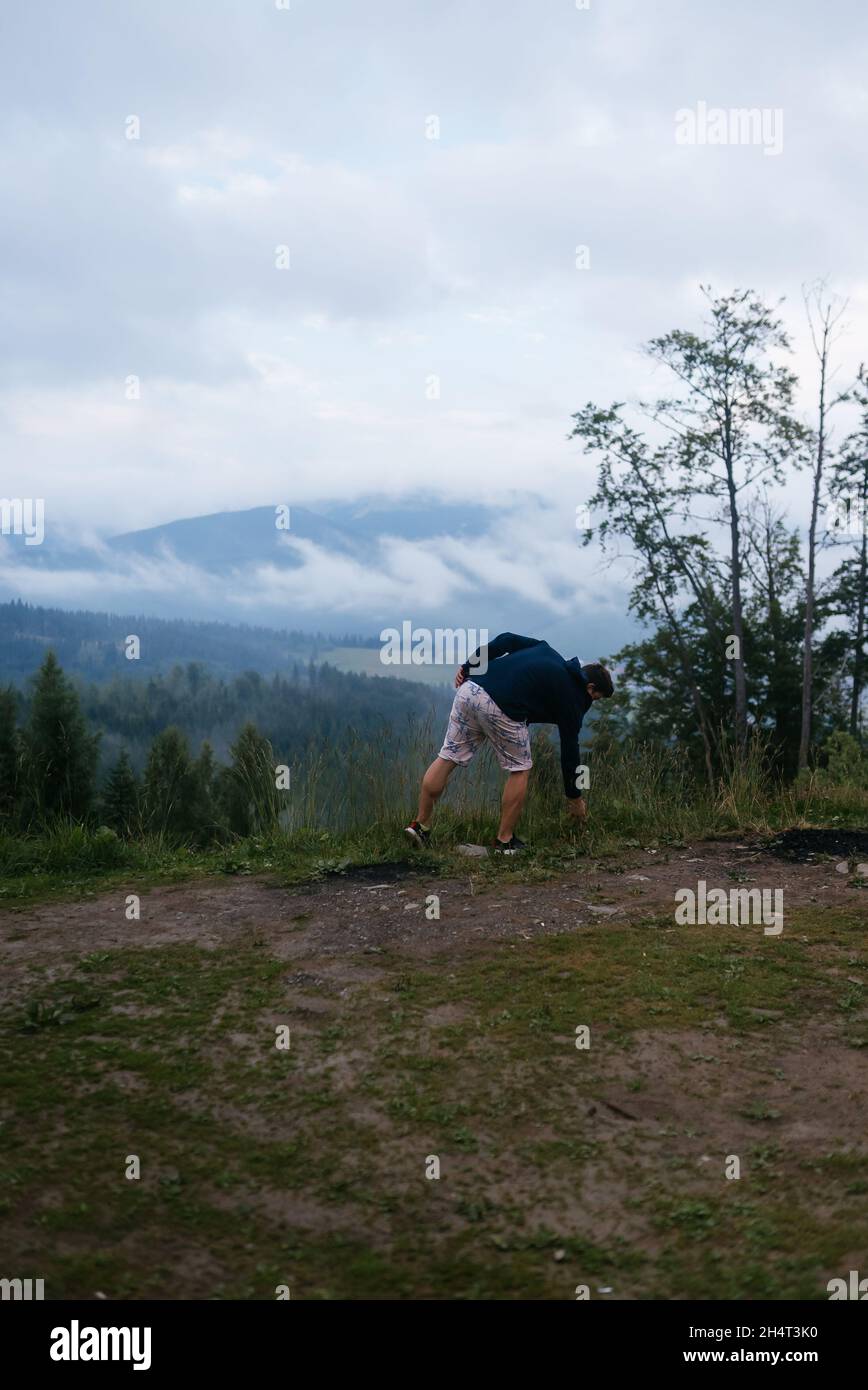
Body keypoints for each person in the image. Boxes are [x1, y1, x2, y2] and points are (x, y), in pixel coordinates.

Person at [405, 632, 614, 853]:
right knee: (520, 769)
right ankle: (504, 842)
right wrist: (576, 797)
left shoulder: (546, 650)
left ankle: (419, 826)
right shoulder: (575, 700)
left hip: (471, 688)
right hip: (502, 706)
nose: (592, 702)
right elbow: (571, 753)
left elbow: (505, 640)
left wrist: (469, 666)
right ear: (590, 688)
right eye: (596, 698)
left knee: (447, 757)